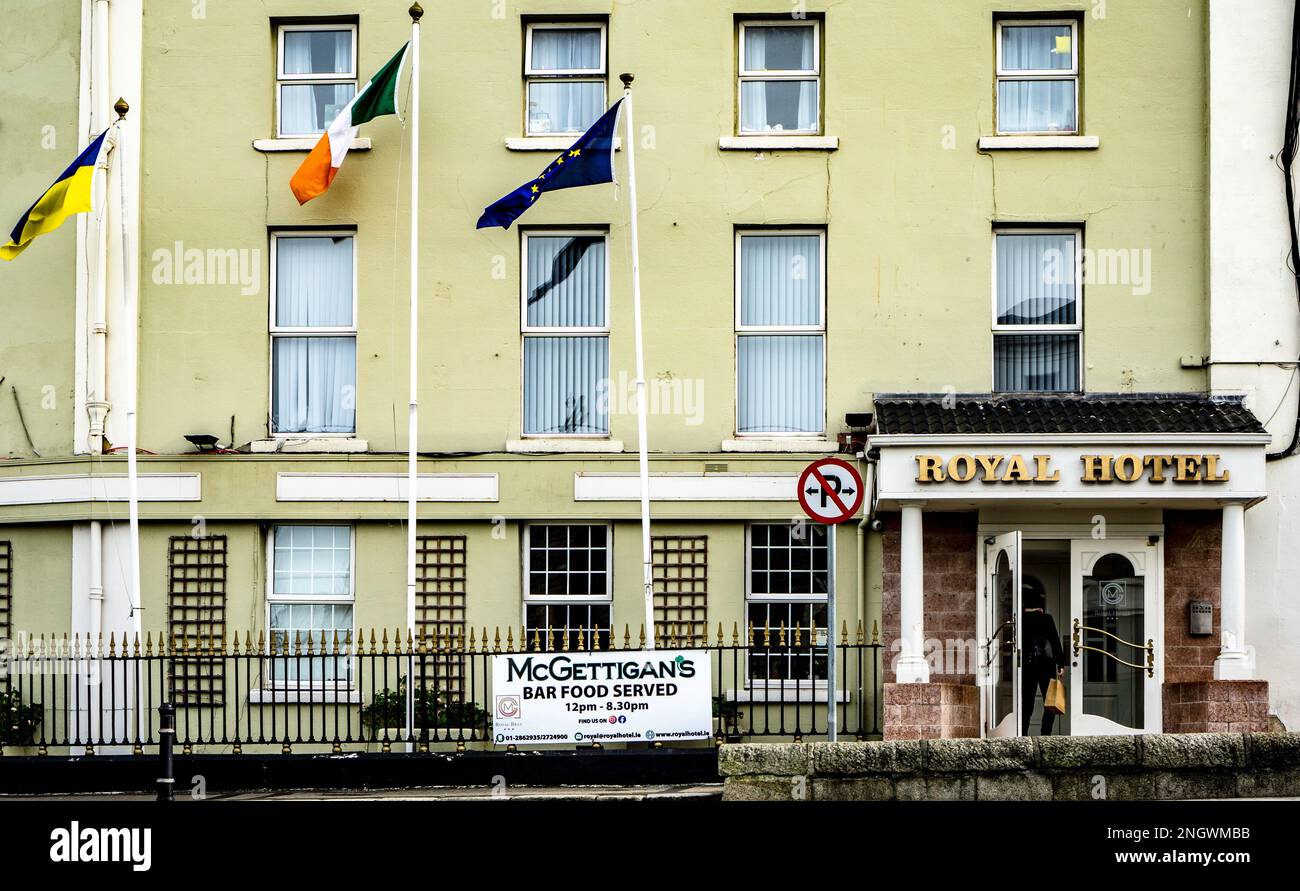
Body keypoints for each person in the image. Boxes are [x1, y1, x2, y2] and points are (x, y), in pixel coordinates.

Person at [1020, 576, 1066, 736]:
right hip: (1046, 666)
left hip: (1027, 665)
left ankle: (1023, 734)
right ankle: (1046, 733)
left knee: (1027, 703)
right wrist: (1061, 664)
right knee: (1051, 700)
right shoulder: (1046, 619)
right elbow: (1055, 640)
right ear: (1040, 606)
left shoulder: (1021, 621)